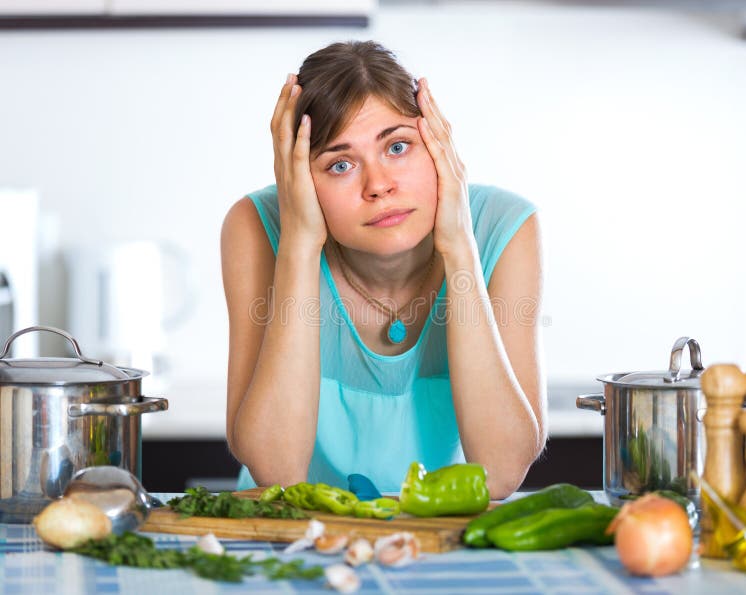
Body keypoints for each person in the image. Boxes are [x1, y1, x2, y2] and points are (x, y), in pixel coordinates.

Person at [221, 40, 546, 499]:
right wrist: (298, 241)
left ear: (438, 144)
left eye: (397, 146)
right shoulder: (258, 227)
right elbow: (276, 472)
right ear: (299, 179)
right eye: (340, 164)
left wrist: (458, 244)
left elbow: (500, 473)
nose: (379, 186)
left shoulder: (505, 227)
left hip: (440, 537)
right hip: (295, 538)